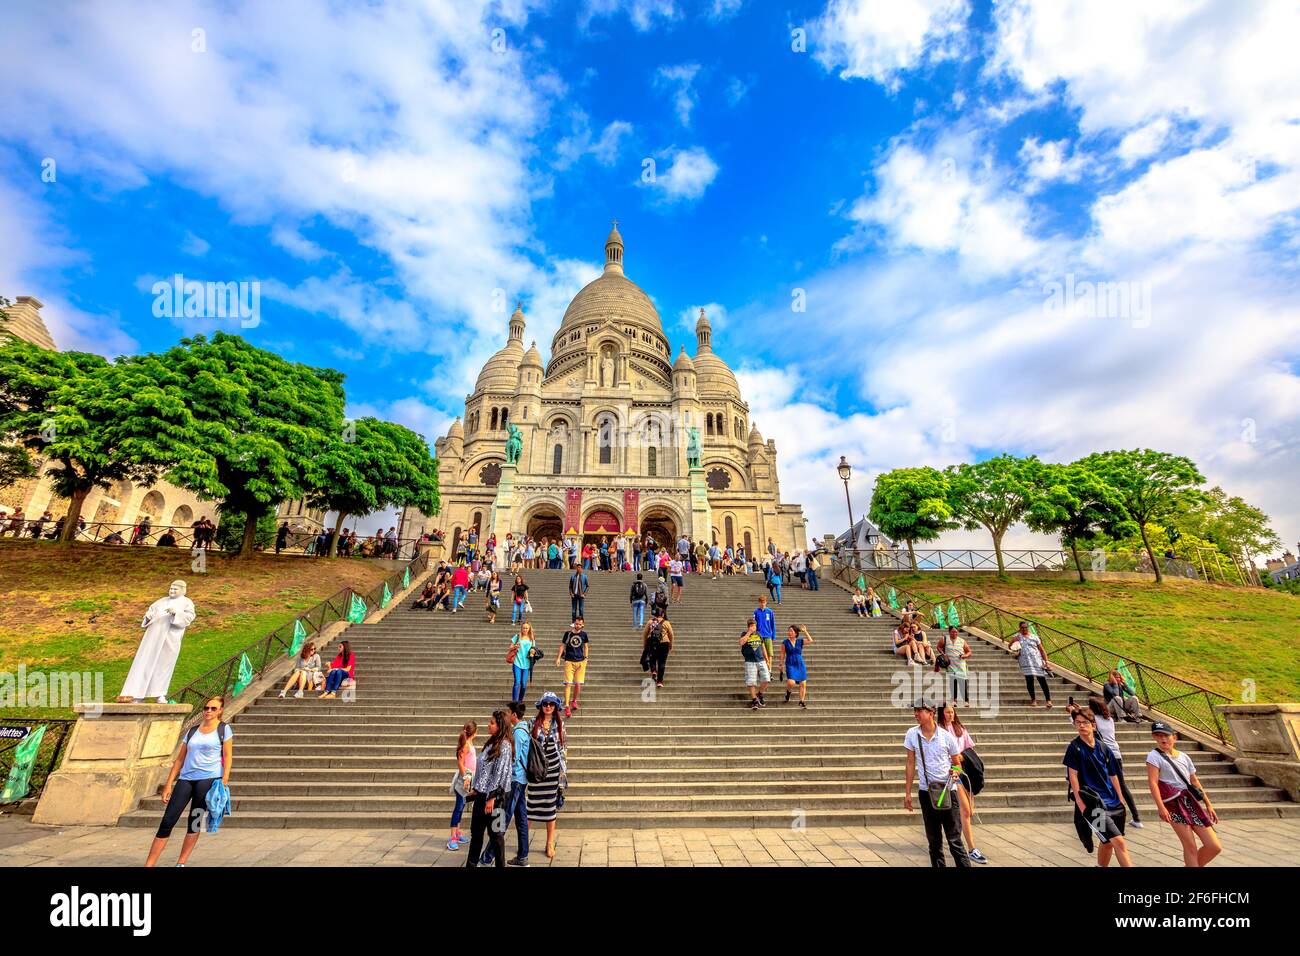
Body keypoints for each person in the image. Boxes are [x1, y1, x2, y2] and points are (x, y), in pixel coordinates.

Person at [146, 696, 232, 866]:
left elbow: (228, 756)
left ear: (220, 711)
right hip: (186, 779)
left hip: (208, 780)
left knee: (194, 821)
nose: (208, 711)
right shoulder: (192, 731)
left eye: (213, 709)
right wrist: (169, 784)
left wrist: (224, 779)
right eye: (206, 708)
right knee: (168, 820)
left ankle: (181, 862)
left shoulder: (224, 729)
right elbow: (179, 759)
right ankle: (149, 864)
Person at [1145, 721, 1221, 867]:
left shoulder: (1184, 757)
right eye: (1158, 735)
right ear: (1154, 737)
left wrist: (1208, 804)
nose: (1163, 739)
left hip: (1191, 802)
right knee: (1190, 846)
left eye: (1166, 735)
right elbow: (1153, 783)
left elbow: (1194, 781)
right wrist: (1161, 807)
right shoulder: (1154, 756)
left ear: (1174, 737)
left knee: (1214, 846)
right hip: (1172, 803)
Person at [1063, 707, 1132, 867]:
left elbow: (1114, 775)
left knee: (1107, 842)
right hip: (1094, 806)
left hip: (1113, 802)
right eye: (1077, 723)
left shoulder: (1104, 748)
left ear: (1093, 725)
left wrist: (1120, 798)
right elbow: (1072, 776)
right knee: (1119, 842)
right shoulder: (1074, 748)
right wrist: (1081, 804)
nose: (1081, 726)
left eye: (1085, 723)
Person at [903, 702, 969, 867]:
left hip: (948, 792)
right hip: (926, 793)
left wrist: (955, 772)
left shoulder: (946, 736)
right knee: (934, 842)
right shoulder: (912, 734)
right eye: (915, 711)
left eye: (919, 711)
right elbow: (910, 763)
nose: (916, 714)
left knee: (955, 841)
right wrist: (908, 793)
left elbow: (957, 763)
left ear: (931, 713)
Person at [480, 701, 532, 867]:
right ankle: (523, 855)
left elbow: (513, 759)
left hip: (515, 779)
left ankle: (487, 857)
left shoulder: (517, 733)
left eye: (508, 713)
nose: (507, 716)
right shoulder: (526, 729)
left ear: (514, 715)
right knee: (521, 818)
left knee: (503, 818)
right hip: (522, 779)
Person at [938, 702, 988, 863]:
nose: (950, 715)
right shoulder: (939, 731)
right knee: (965, 811)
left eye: (952, 712)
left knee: (967, 812)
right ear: (941, 713)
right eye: (947, 712)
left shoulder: (960, 728)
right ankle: (972, 848)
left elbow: (969, 749)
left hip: (966, 772)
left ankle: (956, 842)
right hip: (952, 774)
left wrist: (963, 757)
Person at [464, 710, 514, 868]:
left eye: (492, 723)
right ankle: (471, 864)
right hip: (481, 796)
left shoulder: (505, 746)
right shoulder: (491, 742)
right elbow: (484, 769)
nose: (489, 725)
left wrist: (492, 798)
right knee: (476, 834)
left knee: (496, 836)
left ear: (500, 726)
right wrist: (477, 788)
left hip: (496, 800)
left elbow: (500, 773)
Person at [526, 691, 567, 860]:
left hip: (553, 771)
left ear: (556, 707)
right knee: (531, 806)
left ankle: (549, 842)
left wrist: (563, 776)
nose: (548, 707)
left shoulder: (559, 724)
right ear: (541, 706)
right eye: (545, 704)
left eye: (551, 704)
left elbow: (564, 749)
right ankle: (524, 841)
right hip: (536, 771)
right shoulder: (532, 723)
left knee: (550, 807)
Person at [447, 720, 476, 850]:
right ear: (474, 732)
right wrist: (465, 778)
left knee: (462, 806)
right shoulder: (465, 745)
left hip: (469, 778)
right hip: (464, 779)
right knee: (458, 807)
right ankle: (452, 837)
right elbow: (460, 763)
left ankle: (457, 833)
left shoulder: (469, 743)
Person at [1013, 621, 1052, 708]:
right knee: (1029, 681)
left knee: (1042, 680)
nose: (1024, 629)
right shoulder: (1017, 637)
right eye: (1022, 628)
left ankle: (1048, 700)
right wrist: (1015, 650)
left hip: (1037, 661)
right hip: (1025, 662)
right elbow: (1010, 646)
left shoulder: (1034, 637)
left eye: (1025, 627)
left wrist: (1046, 662)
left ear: (1028, 628)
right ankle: (1033, 700)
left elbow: (1042, 650)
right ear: (1019, 628)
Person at [557, 616, 589, 718]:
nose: (578, 625)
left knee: (578, 684)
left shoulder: (584, 634)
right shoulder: (568, 634)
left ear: (582, 625)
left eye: (580, 624)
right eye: (576, 623)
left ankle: (574, 700)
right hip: (569, 661)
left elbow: (586, 646)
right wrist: (558, 658)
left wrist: (586, 658)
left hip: (580, 662)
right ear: (574, 623)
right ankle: (566, 706)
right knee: (568, 684)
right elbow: (562, 645)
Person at [739, 619, 771, 710]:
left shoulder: (759, 634)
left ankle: (760, 694)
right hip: (750, 661)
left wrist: (767, 659)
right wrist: (749, 632)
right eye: (752, 626)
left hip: (761, 660)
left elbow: (763, 647)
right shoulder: (744, 634)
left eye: (755, 626)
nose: (754, 627)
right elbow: (741, 642)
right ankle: (754, 700)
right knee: (751, 682)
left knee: (766, 679)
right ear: (748, 626)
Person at [781, 624, 812, 708]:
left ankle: (801, 701)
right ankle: (788, 692)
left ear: (796, 633)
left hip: (799, 663)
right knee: (791, 682)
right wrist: (781, 665)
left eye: (791, 631)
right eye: (789, 630)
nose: (789, 632)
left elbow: (810, 640)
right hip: (790, 663)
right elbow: (782, 654)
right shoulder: (785, 642)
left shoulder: (800, 641)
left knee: (803, 683)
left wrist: (805, 631)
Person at [641, 608, 674, 687]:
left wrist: (645, 644)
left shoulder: (650, 622)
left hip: (652, 643)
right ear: (662, 614)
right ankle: (659, 682)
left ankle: (654, 671)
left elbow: (645, 634)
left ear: (654, 614)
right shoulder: (666, 622)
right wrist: (670, 644)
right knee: (662, 663)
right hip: (664, 643)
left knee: (652, 659)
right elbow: (671, 634)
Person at [941, 626, 972, 704]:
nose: (955, 633)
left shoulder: (962, 641)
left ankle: (966, 700)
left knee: (962, 682)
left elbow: (969, 651)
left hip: (960, 664)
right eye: (953, 631)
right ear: (949, 632)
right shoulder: (945, 639)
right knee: (953, 682)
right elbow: (939, 647)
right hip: (950, 664)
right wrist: (943, 654)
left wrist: (965, 655)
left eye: (956, 632)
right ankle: (954, 700)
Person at [509, 622, 537, 703]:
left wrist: (533, 651)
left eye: (526, 628)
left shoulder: (532, 638)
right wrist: (515, 646)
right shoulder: (517, 636)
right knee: (517, 682)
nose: (525, 629)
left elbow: (534, 649)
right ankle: (514, 702)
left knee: (524, 685)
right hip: (517, 662)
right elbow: (510, 647)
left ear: (529, 629)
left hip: (527, 664)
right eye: (523, 628)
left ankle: (520, 701)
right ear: (521, 628)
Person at [753, 595, 777, 679]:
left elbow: (773, 624)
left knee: (769, 654)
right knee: (760, 655)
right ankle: (761, 672)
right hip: (759, 636)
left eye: (764, 602)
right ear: (759, 603)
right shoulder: (756, 612)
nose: (762, 604)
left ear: (766, 602)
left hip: (767, 635)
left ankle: (769, 672)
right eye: (761, 602)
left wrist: (773, 636)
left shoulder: (770, 612)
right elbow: (753, 624)